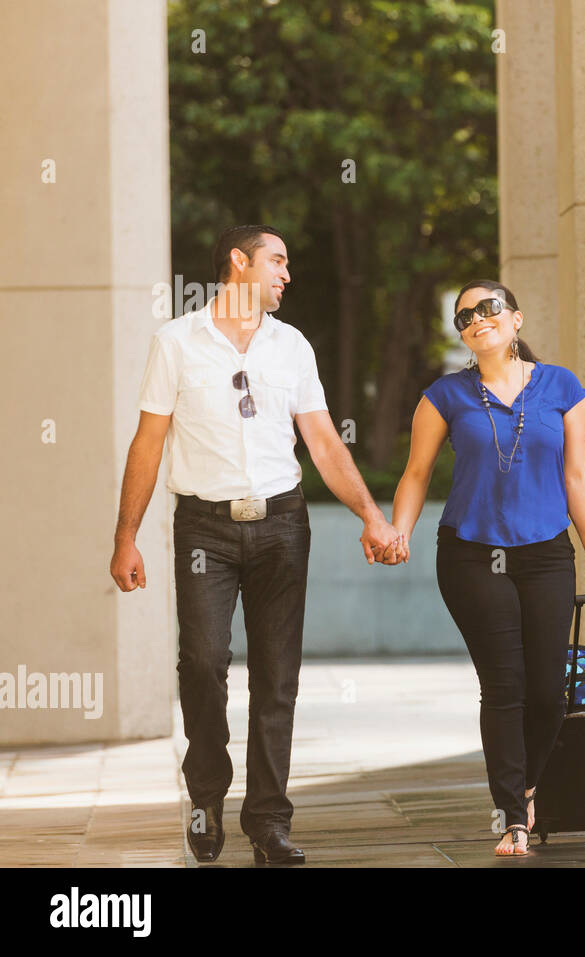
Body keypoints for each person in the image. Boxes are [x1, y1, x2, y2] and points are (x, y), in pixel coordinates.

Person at [109, 225, 402, 866]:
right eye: (278, 261)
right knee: (204, 664)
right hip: (203, 528)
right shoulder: (176, 343)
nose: (287, 274)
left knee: (277, 678)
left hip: (282, 524)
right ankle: (206, 796)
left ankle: (268, 822)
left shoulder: (292, 346)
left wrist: (370, 517)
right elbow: (147, 444)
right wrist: (125, 537)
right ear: (237, 263)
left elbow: (322, 441)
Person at [383, 280, 585, 856]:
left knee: (548, 693)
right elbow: (417, 474)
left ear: (516, 318)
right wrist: (399, 531)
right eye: (465, 316)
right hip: (470, 552)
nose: (476, 319)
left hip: (544, 553)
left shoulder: (562, 387)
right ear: (462, 333)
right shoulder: (444, 395)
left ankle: (528, 785)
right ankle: (513, 815)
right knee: (505, 685)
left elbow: (576, 478)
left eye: (488, 308)